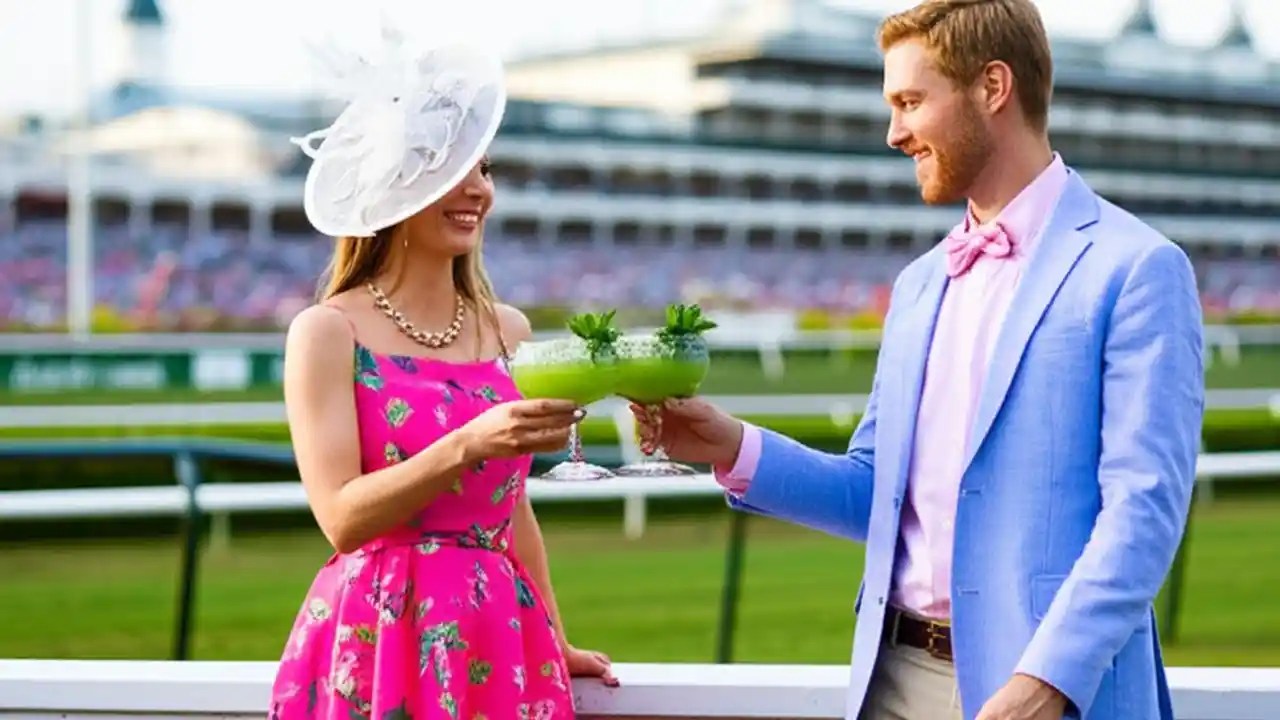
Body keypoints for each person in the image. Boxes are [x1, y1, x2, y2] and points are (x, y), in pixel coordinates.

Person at [635, 1, 1204, 719]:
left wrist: (1046, 684)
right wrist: (732, 445)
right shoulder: (917, 285)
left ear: (992, 88)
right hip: (892, 681)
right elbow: (877, 493)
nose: (893, 132)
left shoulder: (1139, 268)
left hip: (1053, 693)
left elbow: (1144, 512)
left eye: (910, 101)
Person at [269, 33, 616, 720]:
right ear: (391, 187)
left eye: (483, 168)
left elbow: (513, 509)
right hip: (377, 636)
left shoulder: (507, 331)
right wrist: (467, 443)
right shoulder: (326, 333)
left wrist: (553, 632)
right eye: (452, 168)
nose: (478, 189)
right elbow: (341, 519)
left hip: (498, 634)